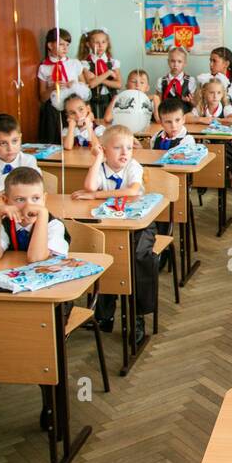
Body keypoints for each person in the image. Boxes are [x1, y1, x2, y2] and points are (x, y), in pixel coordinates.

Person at [71, 126, 157, 342]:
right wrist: (97, 159)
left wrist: (97, 195)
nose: (124, 153)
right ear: (104, 149)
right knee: (101, 254)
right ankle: (104, 315)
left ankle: (137, 315)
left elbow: (132, 191)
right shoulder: (100, 167)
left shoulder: (133, 166)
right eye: (117, 148)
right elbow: (89, 187)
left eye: (128, 147)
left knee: (137, 258)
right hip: (108, 224)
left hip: (139, 225)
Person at [0, 167, 69, 263]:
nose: (29, 206)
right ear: (6, 200)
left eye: (36, 198)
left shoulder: (53, 225)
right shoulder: (5, 224)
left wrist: (43, 213)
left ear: (44, 199)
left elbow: (36, 258)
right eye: (20, 199)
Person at [37, 28, 90, 144]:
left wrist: (75, 85)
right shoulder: (44, 67)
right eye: (61, 44)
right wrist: (52, 87)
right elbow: (42, 97)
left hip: (74, 108)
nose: (65, 48)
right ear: (50, 45)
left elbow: (86, 87)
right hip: (53, 111)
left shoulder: (74, 63)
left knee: (75, 139)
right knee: (55, 140)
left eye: (67, 45)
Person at [0, 113, 39, 195]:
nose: (10, 148)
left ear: (20, 138)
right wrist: (19, 177)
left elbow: (32, 186)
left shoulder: (29, 160)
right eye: (3, 143)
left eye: (14, 141)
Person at [78, 27, 121, 121]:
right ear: (88, 44)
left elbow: (118, 84)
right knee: (97, 126)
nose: (100, 45)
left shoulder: (113, 62)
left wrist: (98, 79)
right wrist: (108, 72)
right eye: (96, 43)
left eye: (103, 42)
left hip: (111, 100)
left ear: (107, 43)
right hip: (94, 101)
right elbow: (92, 84)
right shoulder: (85, 63)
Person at [195, 46, 232, 119]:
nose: (211, 64)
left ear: (226, 64)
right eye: (210, 61)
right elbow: (200, 103)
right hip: (208, 120)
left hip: (230, 120)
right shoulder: (207, 80)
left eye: (214, 61)